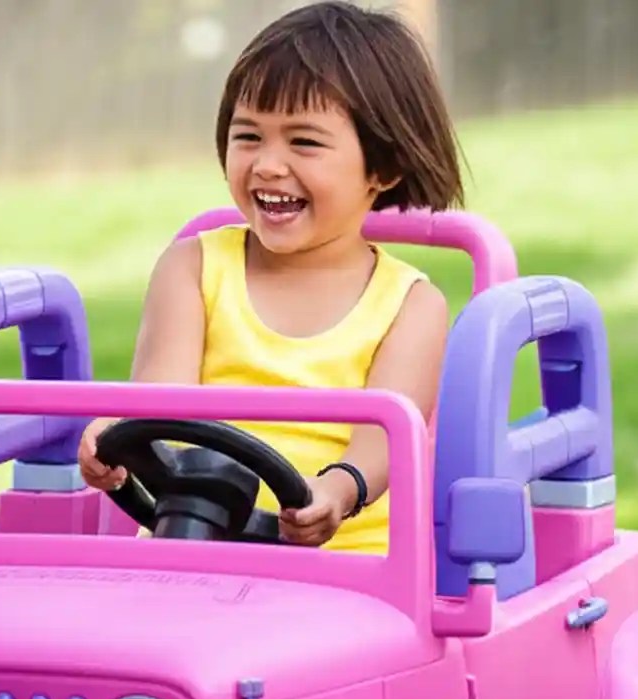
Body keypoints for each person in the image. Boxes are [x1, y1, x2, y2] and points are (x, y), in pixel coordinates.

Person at [78, 1, 464, 554]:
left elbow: (380, 444)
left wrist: (333, 492)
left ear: (383, 166)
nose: (267, 165)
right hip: (191, 545)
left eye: (303, 141)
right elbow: (157, 401)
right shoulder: (192, 268)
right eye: (248, 136)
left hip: (341, 569)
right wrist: (113, 437)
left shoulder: (411, 305)